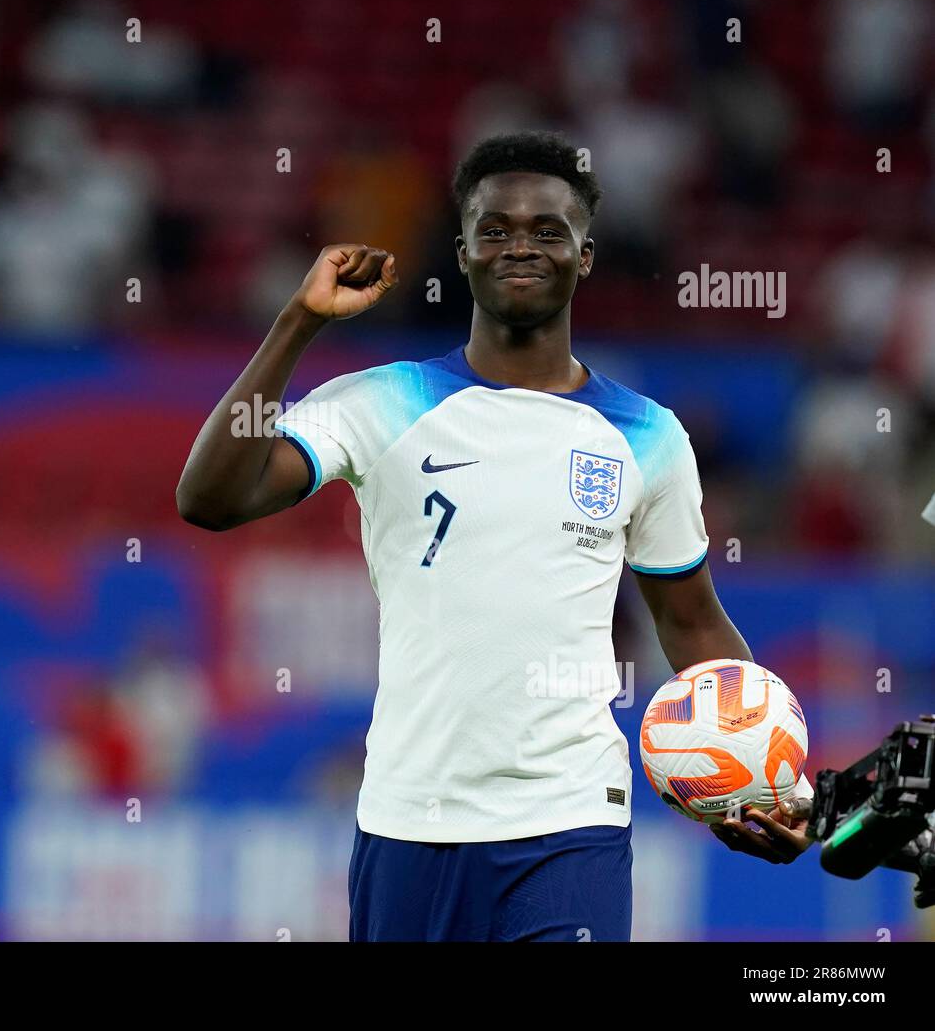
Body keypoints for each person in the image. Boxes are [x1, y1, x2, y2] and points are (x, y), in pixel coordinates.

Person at [176, 131, 811, 942]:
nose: (520, 246)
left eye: (548, 230)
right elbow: (210, 498)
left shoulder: (649, 435)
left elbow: (690, 621)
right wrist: (297, 323)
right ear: (463, 253)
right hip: (409, 819)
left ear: (585, 256)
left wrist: (762, 783)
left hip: (571, 820)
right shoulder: (379, 401)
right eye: (496, 229)